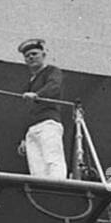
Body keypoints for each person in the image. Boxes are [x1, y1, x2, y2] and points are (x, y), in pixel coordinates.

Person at [15, 38, 67, 180]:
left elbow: (54, 87)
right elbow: (26, 112)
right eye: (27, 56)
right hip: (31, 130)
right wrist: (23, 138)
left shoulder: (52, 71)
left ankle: (58, 188)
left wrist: (37, 95)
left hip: (47, 123)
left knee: (52, 160)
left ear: (43, 55)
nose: (31, 57)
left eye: (34, 54)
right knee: (36, 168)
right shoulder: (29, 83)